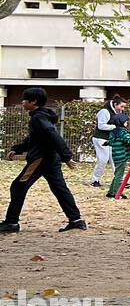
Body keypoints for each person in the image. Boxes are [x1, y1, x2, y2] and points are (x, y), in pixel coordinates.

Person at [0, 87, 87, 233]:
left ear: (33, 101)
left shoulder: (38, 117)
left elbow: (52, 135)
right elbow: (34, 139)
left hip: (41, 159)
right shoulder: (41, 116)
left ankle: (11, 222)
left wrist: (67, 157)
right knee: (59, 189)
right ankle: (76, 220)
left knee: (18, 186)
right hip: (51, 159)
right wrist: (17, 149)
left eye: (24, 100)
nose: (22, 102)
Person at [90, 94, 126, 187]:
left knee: (115, 159)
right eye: (121, 106)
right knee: (103, 160)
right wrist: (116, 127)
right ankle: (95, 180)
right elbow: (101, 126)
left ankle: (119, 181)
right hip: (101, 138)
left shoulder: (116, 112)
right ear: (115, 104)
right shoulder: (104, 111)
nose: (122, 109)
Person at [105, 123, 130, 198]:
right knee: (119, 176)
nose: (127, 122)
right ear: (121, 122)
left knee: (117, 174)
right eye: (126, 121)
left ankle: (111, 192)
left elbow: (111, 142)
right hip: (122, 156)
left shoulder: (114, 131)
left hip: (116, 156)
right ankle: (116, 193)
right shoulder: (123, 132)